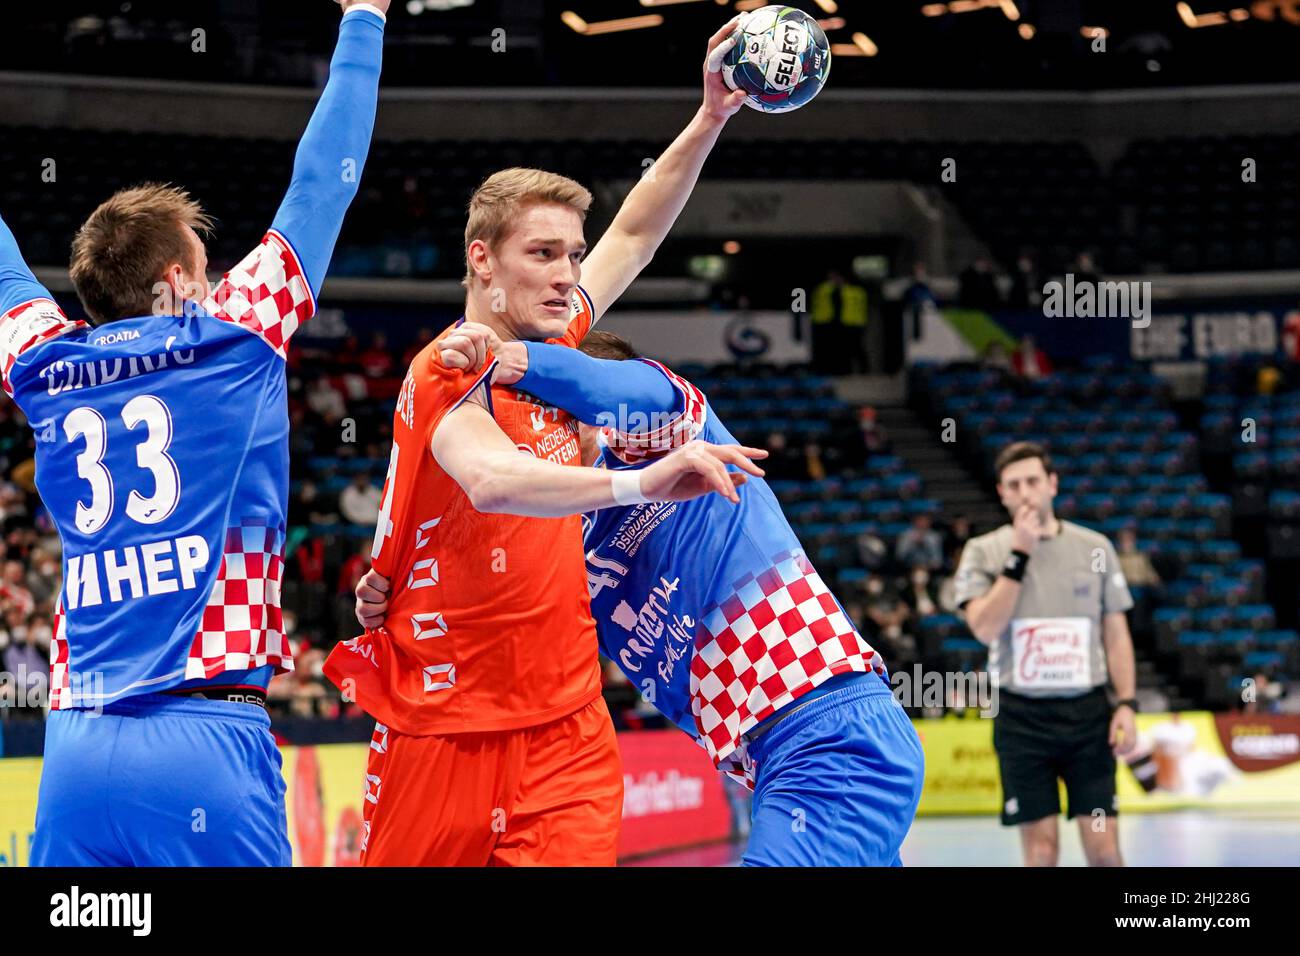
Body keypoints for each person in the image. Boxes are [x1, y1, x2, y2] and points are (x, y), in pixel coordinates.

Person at [322, 19, 762, 867]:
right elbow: (492, 480)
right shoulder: (447, 367)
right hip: (441, 725)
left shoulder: (557, 351)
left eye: (573, 254)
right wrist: (644, 483)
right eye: (544, 253)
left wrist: (710, 116)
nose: (569, 273)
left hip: (567, 730)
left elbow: (636, 234)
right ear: (483, 262)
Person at [0, 1, 390, 866]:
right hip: (204, 736)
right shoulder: (230, 336)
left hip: (73, 744)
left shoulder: (45, 366)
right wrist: (365, 17)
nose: (219, 279)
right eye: (207, 267)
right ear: (179, 279)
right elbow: (324, 182)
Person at [358, 325, 926, 866]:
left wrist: (517, 360)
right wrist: (396, 595)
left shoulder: (668, 444)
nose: (532, 433)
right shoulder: (570, 531)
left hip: (824, 729)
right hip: (772, 759)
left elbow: (618, 387)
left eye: (544, 414)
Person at [955, 441, 1138, 867]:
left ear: (1052, 484)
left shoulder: (1095, 548)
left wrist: (1127, 703)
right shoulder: (984, 551)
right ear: (1001, 493)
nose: (1025, 493)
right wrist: (1019, 553)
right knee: (1041, 853)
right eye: (1014, 485)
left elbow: (1116, 633)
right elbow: (984, 628)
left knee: (1105, 850)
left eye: (1033, 481)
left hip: (1089, 719)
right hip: (1022, 721)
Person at [808, 268, 868, 375]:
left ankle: (859, 370)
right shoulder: (824, 289)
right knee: (833, 349)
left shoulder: (851, 291)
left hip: (849, 322)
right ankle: (839, 370)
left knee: (854, 349)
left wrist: (838, 284)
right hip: (829, 322)